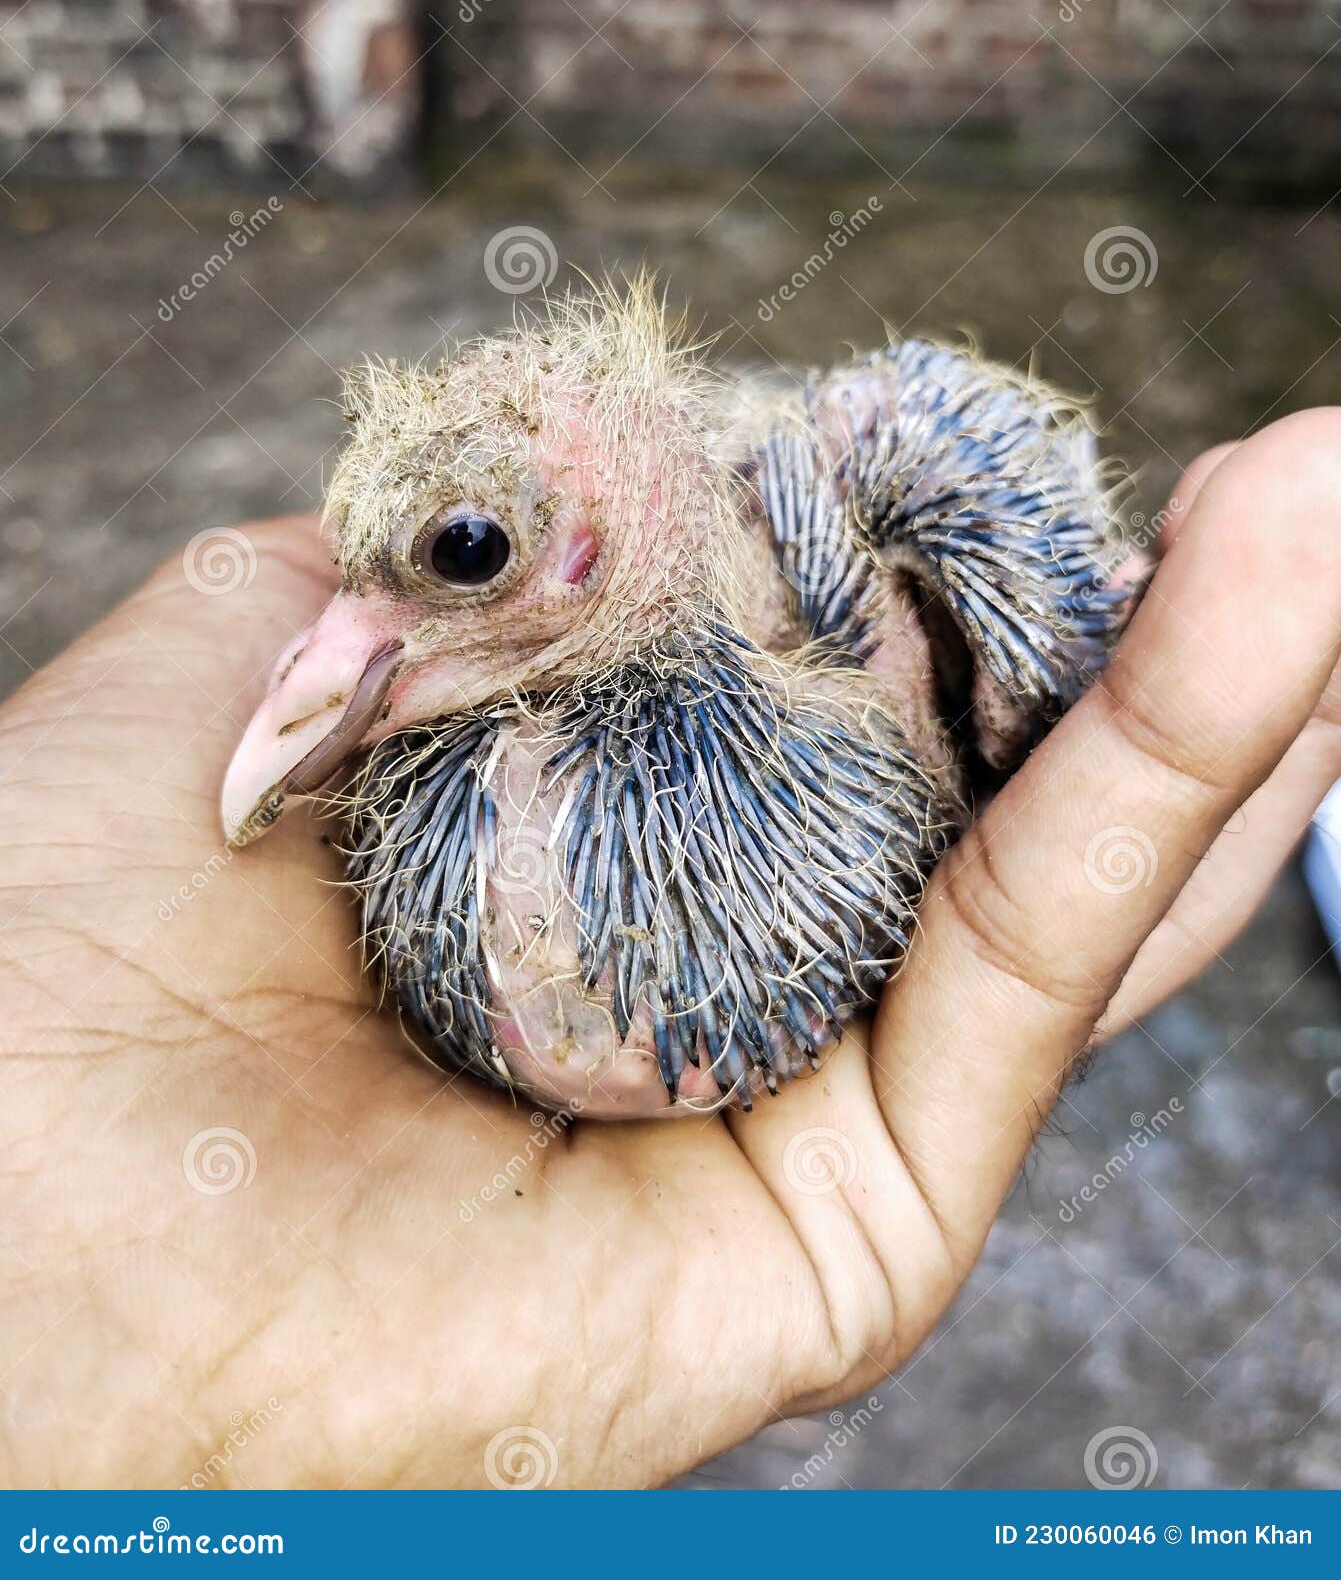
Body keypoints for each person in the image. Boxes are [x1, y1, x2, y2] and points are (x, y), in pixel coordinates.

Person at [0, 414, 1337, 1489]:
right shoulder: (431, 760)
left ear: (588, 553)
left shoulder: (872, 563)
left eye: (463, 554)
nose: (323, 670)